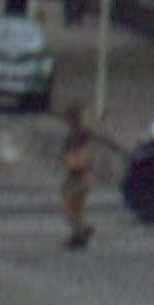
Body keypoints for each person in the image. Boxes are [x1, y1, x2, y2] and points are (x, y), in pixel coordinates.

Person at [58, 98, 96, 250]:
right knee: (75, 207)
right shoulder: (77, 133)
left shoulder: (79, 135)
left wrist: (68, 160)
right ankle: (82, 229)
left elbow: (81, 156)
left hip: (79, 175)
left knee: (70, 206)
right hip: (77, 175)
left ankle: (80, 234)